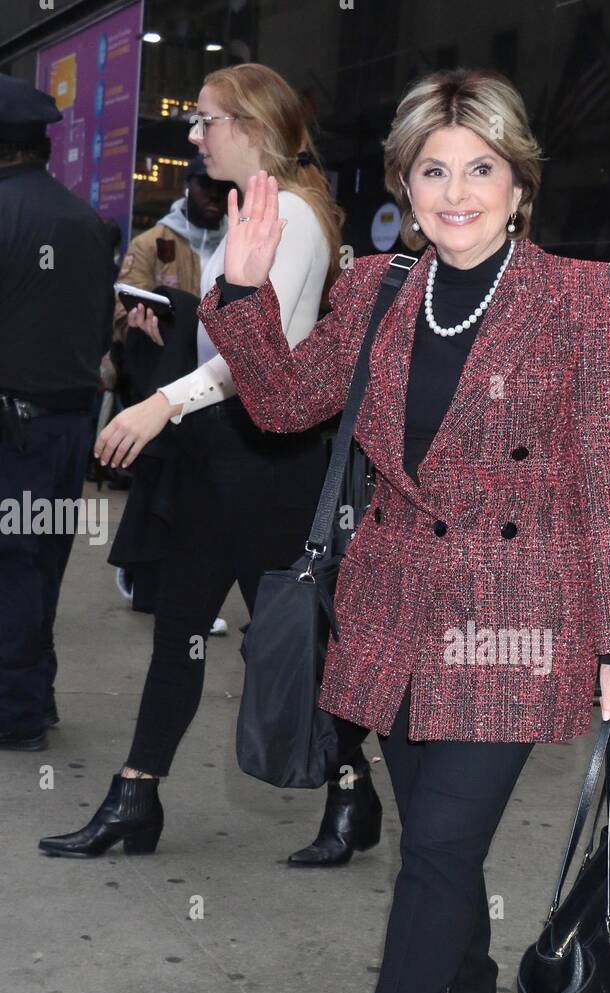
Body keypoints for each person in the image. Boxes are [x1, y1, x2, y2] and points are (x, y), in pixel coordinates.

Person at [198, 67, 610, 993]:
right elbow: (290, 403)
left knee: (440, 856)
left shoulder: (581, 295)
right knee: (434, 852)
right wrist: (246, 298)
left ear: (519, 183)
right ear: (404, 183)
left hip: (518, 624)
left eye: (481, 169)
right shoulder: (378, 287)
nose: (458, 193)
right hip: (396, 612)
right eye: (434, 170)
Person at [38, 62, 377, 862]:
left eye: (206, 120)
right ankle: (135, 797)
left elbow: (264, 356)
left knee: (289, 644)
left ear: (254, 128)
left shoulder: (289, 216)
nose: (192, 137)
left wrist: (159, 404)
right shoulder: (254, 211)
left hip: (268, 463)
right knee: (180, 631)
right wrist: (175, 322)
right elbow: (234, 331)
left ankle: (351, 793)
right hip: (222, 456)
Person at [0, 75, 113, 752]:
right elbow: (101, 331)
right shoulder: (85, 221)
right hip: (71, 425)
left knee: (8, 567)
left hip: (12, 429)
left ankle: (15, 713)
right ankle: (33, 697)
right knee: (41, 563)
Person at [112, 153, 229, 343]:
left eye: (223, 187)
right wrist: (143, 332)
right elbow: (123, 312)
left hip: (222, 362)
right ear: (188, 186)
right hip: (166, 360)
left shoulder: (239, 244)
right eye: (206, 184)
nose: (214, 194)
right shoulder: (149, 244)